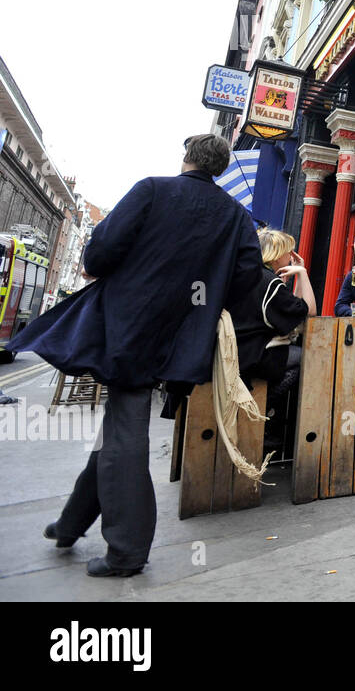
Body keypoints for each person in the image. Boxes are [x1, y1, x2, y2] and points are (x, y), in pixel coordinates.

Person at [11, 134, 262, 577]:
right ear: (220, 168)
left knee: (125, 433)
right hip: (185, 334)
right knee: (119, 427)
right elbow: (245, 276)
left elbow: (102, 251)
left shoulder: (152, 189)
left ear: (186, 158)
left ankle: (127, 550)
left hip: (129, 326)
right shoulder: (237, 216)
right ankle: (70, 525)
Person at [228, 229, 317, 450]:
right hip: (256, 355)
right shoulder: (270, 282)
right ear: (278, 255)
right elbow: (309, 312)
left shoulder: (246, 276)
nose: (292, 256)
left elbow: (294, 309)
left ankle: (271, 417)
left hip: (235, 352)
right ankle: (268, 409)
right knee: (311, 359)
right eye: (289, 252)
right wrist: (303, 273)